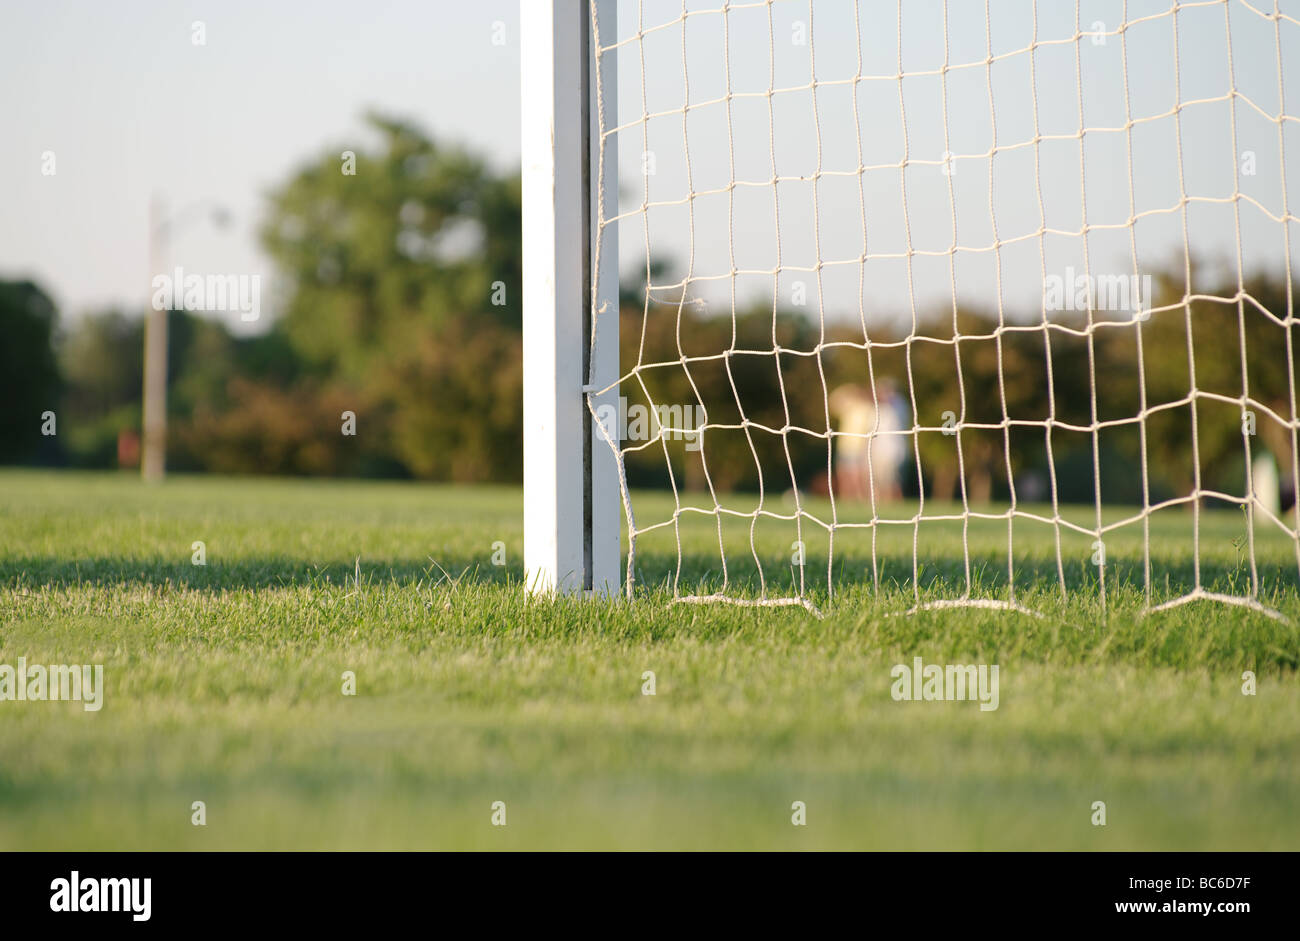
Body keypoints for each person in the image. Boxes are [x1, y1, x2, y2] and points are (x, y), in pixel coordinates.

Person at [829, 379, 906, 504]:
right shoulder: (850, 405)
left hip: (871, 449)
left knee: (886, 481)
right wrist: (851, 388)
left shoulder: (878, 407)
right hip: (847, 446)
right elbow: (834, 402)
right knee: (847, 476)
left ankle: (874, 503)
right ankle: (849, 502)